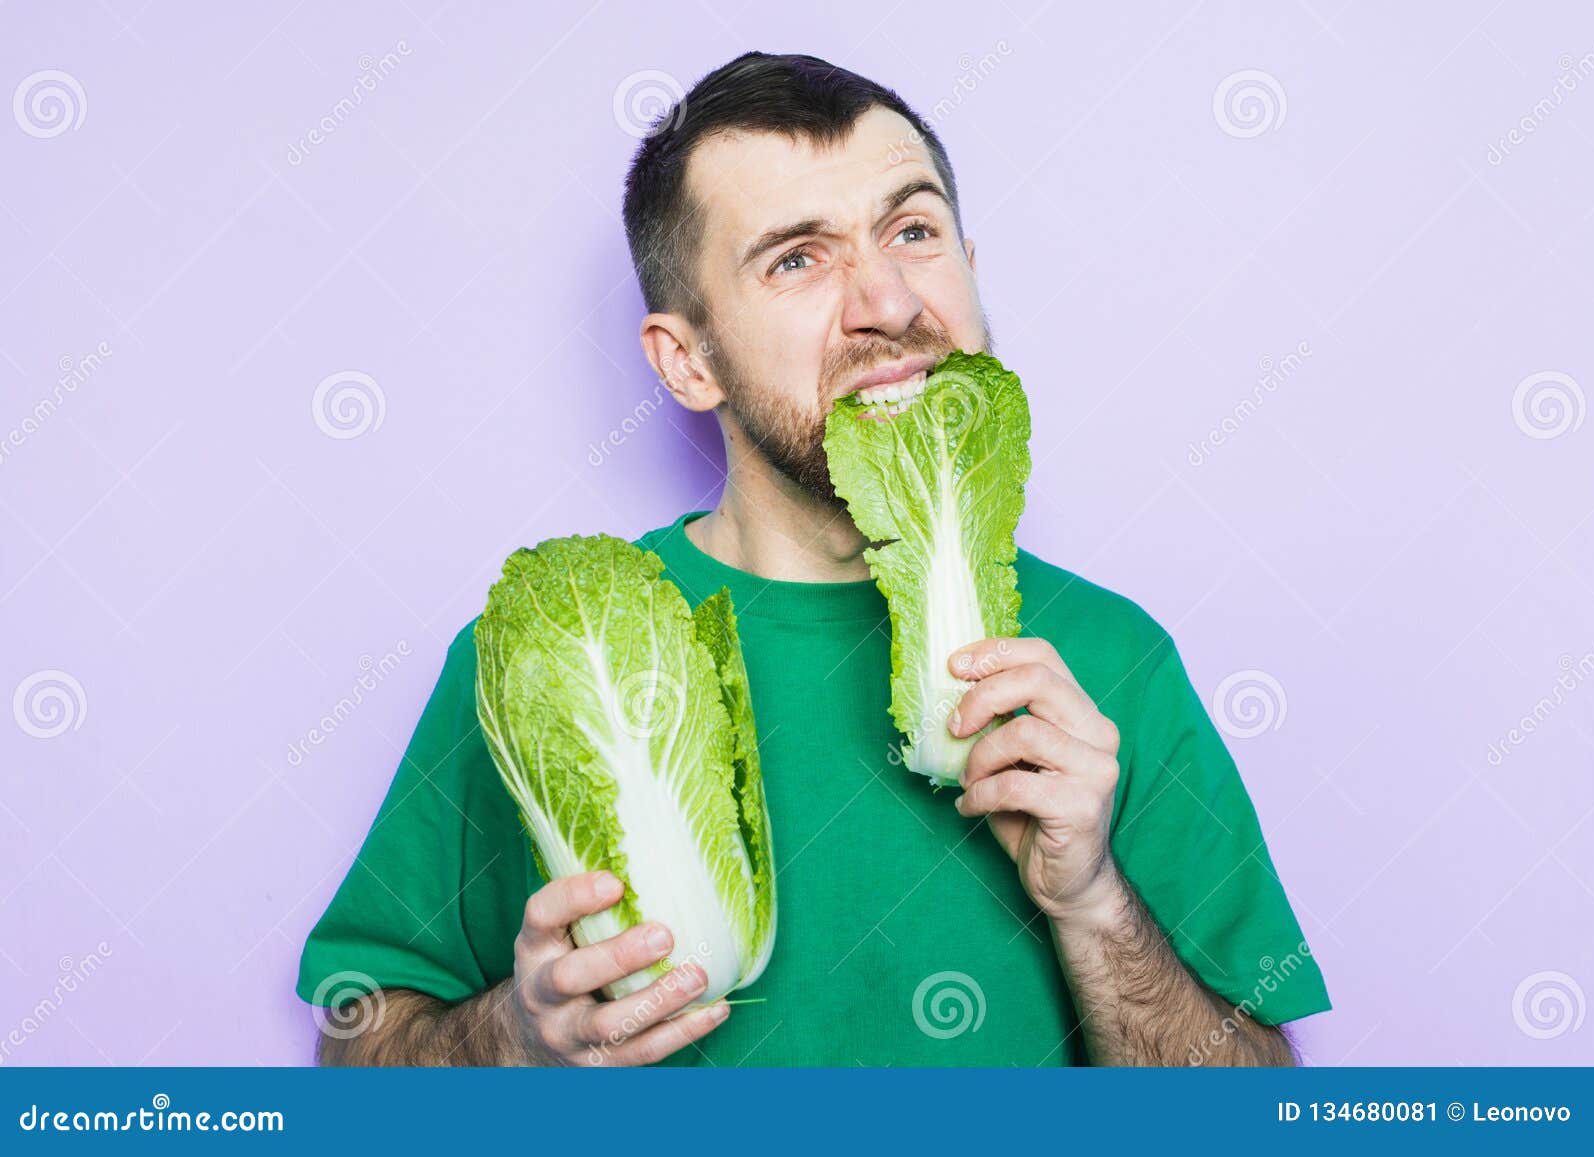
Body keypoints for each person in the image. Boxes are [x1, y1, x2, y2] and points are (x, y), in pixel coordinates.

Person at [297, 51, 1331, 1066]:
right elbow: (352, 1056)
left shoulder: (1109, 660)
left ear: (970, 267)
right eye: (797, 257)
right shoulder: (548, 655)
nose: (886, 301)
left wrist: (1093, 900)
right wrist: (515, 1042)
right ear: (686, 359)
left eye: (912, 231)